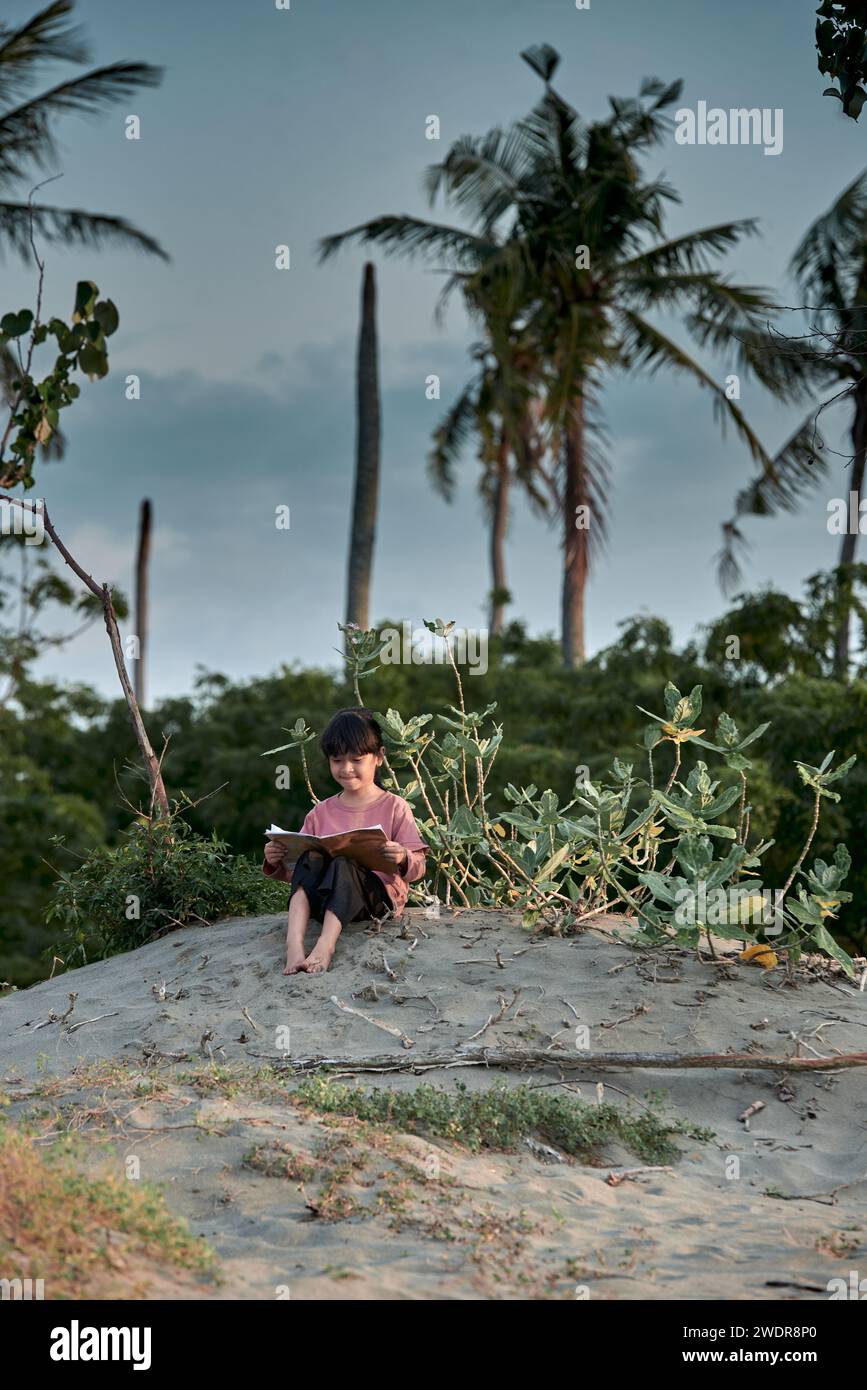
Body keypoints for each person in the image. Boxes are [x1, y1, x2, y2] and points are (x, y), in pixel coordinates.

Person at [263, 707, 428, 974]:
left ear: (378, 758)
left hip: (375, 902)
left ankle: (325, 946)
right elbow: (300, 872)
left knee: (342, 863)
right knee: (312, 857)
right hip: (326, 901)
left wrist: (402, 857)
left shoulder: (394, 807)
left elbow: (419, 867)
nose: (346, 768)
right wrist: (277, 860)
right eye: (337, 760)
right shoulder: (320, 811)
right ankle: (294, 947)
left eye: (356, 759)